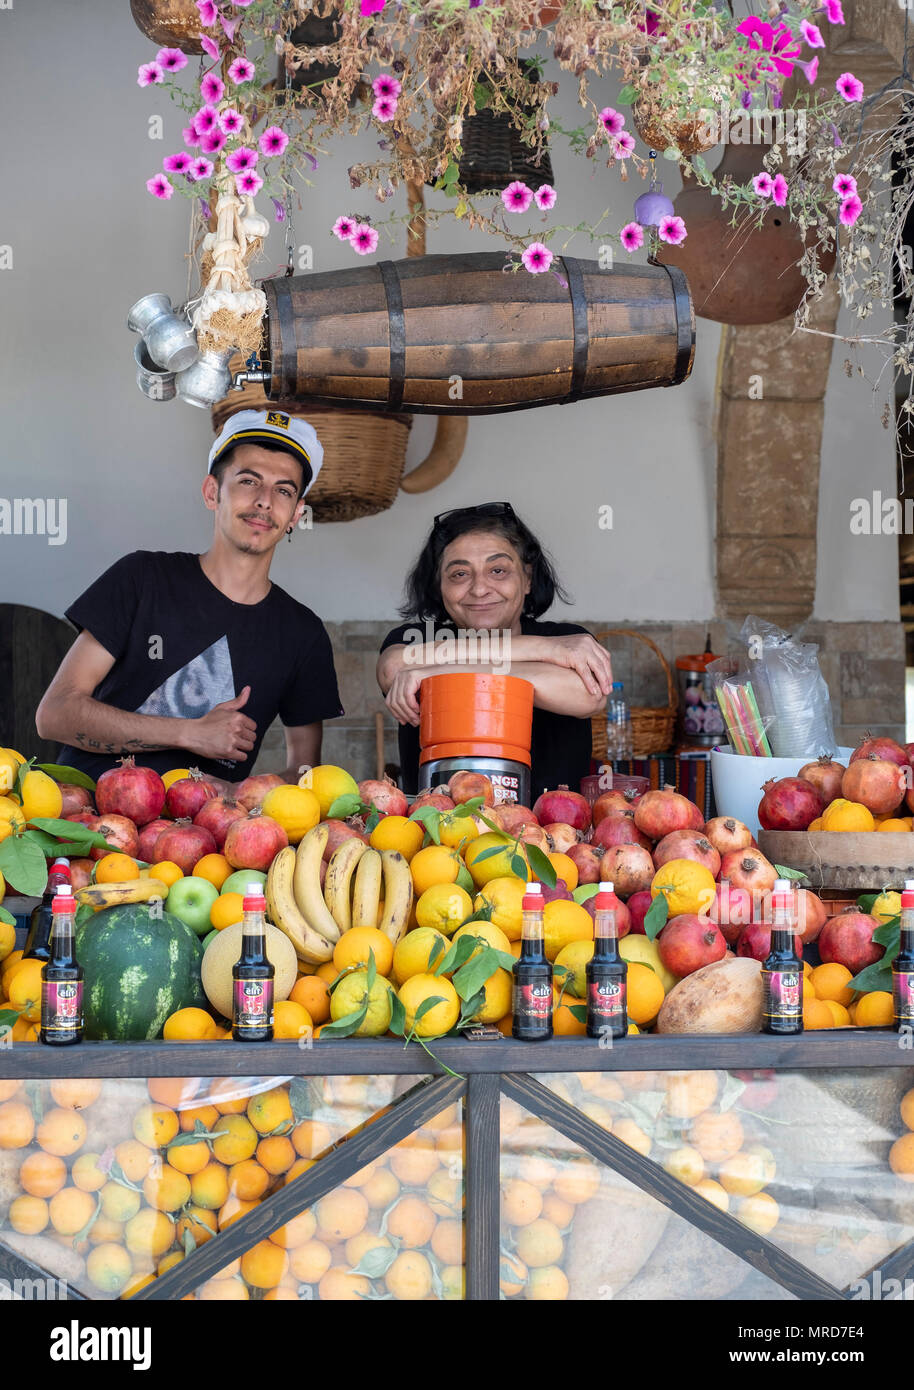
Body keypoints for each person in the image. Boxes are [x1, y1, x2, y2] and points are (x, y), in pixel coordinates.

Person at [36, 410, 344, 784]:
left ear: (296, 514)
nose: (265, 501)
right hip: (86, 811)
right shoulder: (142, 578)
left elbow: (306, 772)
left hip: (203, 823)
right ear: (212, 492)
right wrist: (189, 732)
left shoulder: (303, 633)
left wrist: (236, 793)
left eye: (283, 490)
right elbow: (55, 713)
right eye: (249, 481)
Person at [377, 501, 613, 797]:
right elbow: (392, 667)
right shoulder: (416, 638)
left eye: (498, 570)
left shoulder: (568, 638)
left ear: (527, 579)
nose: (479, 589)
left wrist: (437, 671)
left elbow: (589, 695)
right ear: (439, 585)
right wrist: (543, 650)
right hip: (438, 823)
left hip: (555, 825)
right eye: (460, 574)